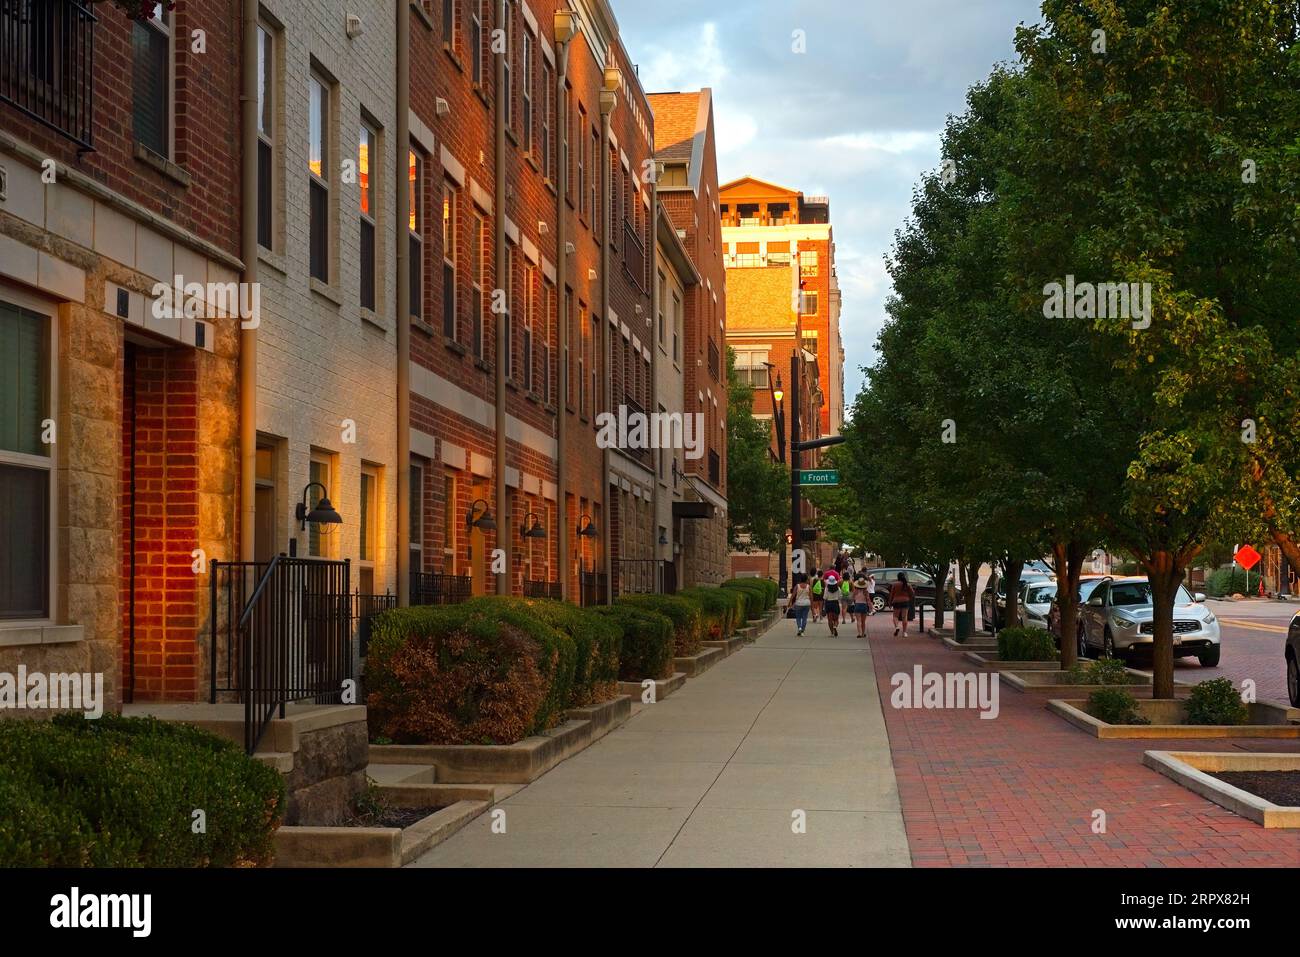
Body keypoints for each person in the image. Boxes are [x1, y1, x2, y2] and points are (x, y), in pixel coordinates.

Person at [889, 572, 916, 637]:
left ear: (898, 577)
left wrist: (890, 602)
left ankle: (897, 627)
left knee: (895, 616)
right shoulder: (908, 585)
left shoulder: (895, 584)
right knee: (904, 617)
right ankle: (904, 633)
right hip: (905, 601)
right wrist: (908, 597)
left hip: (896, 601)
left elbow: (891, 594)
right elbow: (912, 593)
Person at [823, 570, 843, 636]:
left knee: (829, 619)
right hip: (835, 603)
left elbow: (825, 597)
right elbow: (840, 597)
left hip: (828, 603)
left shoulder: (827, 588)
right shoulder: (838, 588)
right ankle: (835, 626)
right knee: (836, 619)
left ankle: (831, 633)